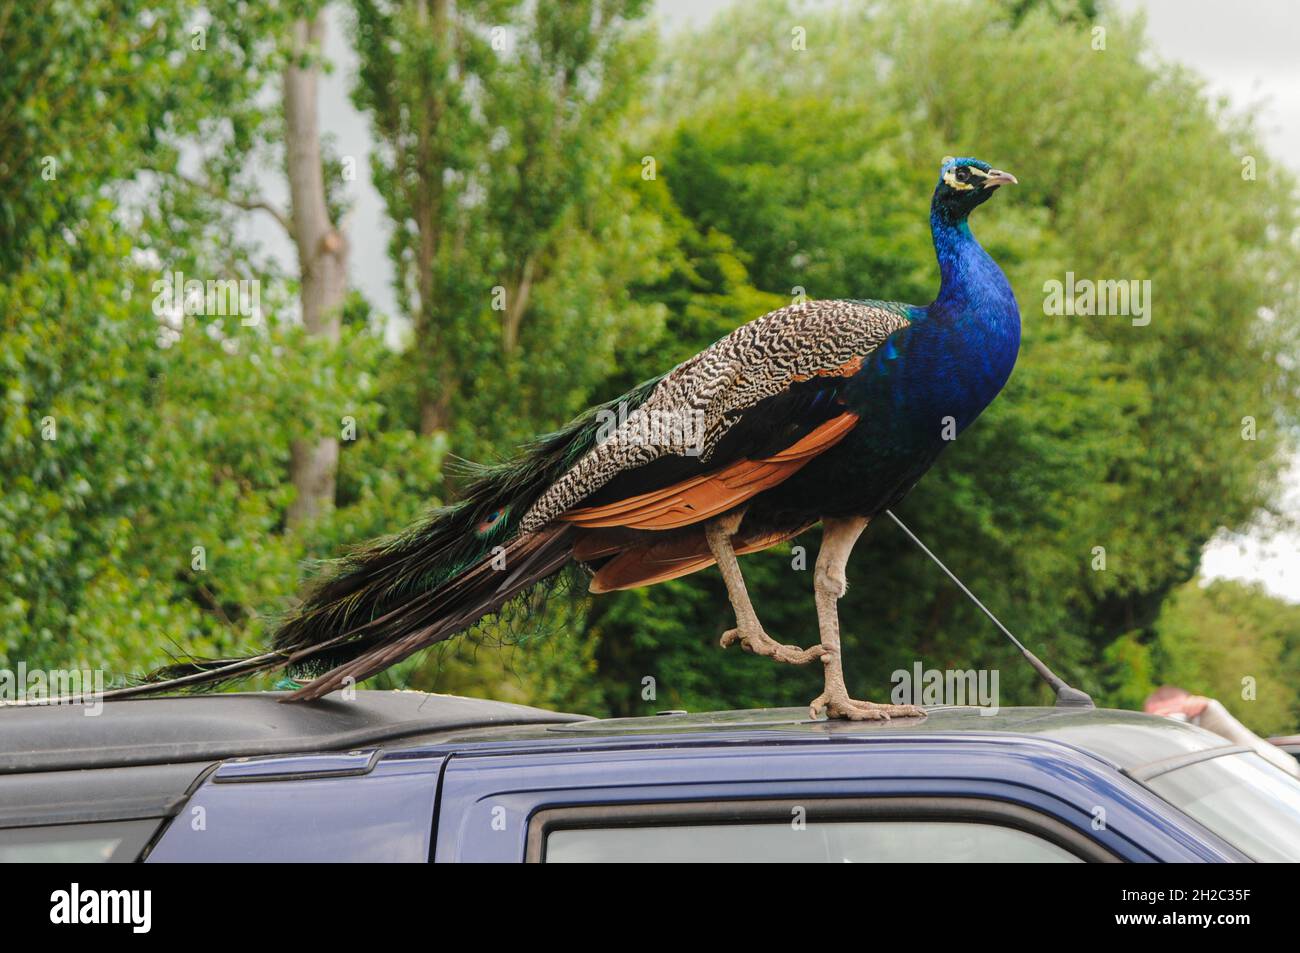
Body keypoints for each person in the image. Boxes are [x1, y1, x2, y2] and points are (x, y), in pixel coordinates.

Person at [1144, 685, 1300, 779]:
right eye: (1161, 719)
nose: (1171, 721)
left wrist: (1214, 712)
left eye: (1177, 715)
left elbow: (1289, 772)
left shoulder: (1210, 720)